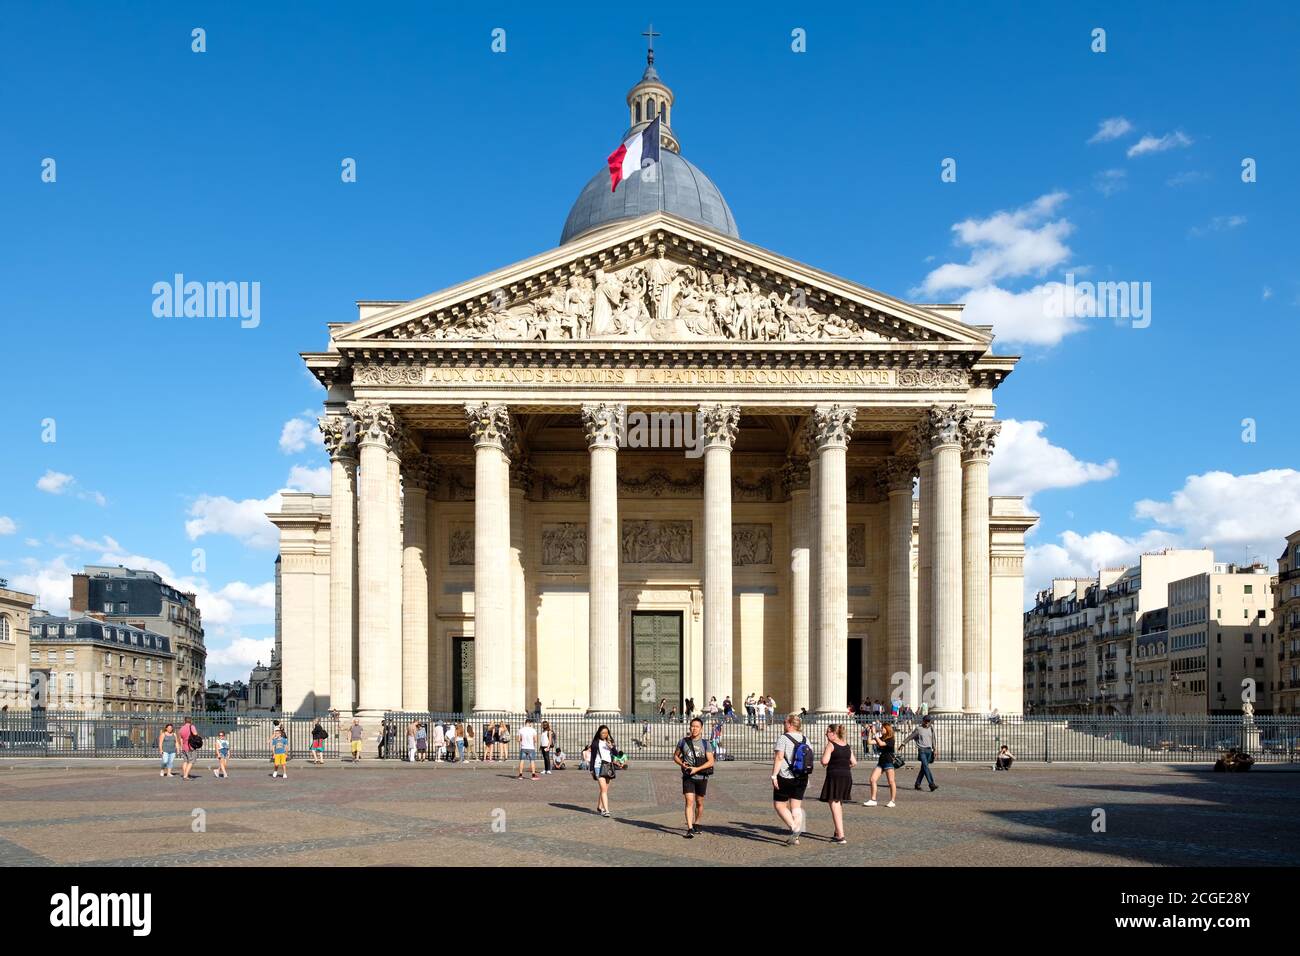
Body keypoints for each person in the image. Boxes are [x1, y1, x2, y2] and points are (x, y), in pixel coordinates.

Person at [771, 713, 813, 846]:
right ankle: (796, 837)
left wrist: (773, 775)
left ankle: (795, 829)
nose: (783, 725)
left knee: (780, 805)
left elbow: (779, 757)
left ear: (789, 724)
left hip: (785, 775)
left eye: (784, 722)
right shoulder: (806, 739)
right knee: (796, 806)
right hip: (802, 776)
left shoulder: (784, 738)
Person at [674, 717, 715, 838]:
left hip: (701, 777)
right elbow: (675, 756)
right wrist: (681, 764)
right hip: (688, 776)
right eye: (692, 726)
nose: (694, 729)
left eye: (697, 726)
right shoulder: (683, 742)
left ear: (701, 729)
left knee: (699, 802)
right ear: (689, 728)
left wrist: (697, 769)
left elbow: (711, 761)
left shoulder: (705, 744)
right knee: (689, 801)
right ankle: (690, 828)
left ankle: (697, 823)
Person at [819, 724, 857, 844]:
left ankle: (841, 835)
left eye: (828, 732)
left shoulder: (831, 745)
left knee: (834, 804)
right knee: (838, 803)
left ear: (834, 734)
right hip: (846, 776)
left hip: (834, 776)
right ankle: (837, 831)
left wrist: (825, 761)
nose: (826, 734)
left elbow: (824, 761)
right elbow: (854, 762)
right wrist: (844, 766)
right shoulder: (847, 745)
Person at [863, 721, 897, 808]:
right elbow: (869, 742)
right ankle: (873, 800)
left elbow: (881, 744)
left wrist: (875, 734)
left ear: (887, 729)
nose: (881, 729)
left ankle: (892, 801)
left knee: (891, 782)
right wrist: (870, 732)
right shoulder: (882, 737)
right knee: (872, 779)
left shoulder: (891, 739)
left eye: (882, 728)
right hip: (881, 762)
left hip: (889, 761)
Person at [903, 714, 939, 792]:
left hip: (929, 751)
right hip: (922, 750)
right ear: (923, 721)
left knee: (923, 768)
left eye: (929, 721)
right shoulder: (918, 729)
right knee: (926, 766)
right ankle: (931, 784)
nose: (927, 723)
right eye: (926, 721)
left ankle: (917, 783)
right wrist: (903, 743)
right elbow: (911, 736)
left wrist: (935, 749)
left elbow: (933, 739)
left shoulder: (931, 728)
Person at [589, 725, 617, 817]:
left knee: (604, 790)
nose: (604, 734)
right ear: (599, 733)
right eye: (602, 733)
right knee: (603, 789)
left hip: (608, 767)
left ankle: (599, 806)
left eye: (606, 733)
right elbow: (592, 757)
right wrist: (591, 769)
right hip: (598, 766)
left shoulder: (610, 742)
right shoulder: (595, 743)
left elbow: (617, 754)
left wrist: (611, 747)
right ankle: (606, 810)